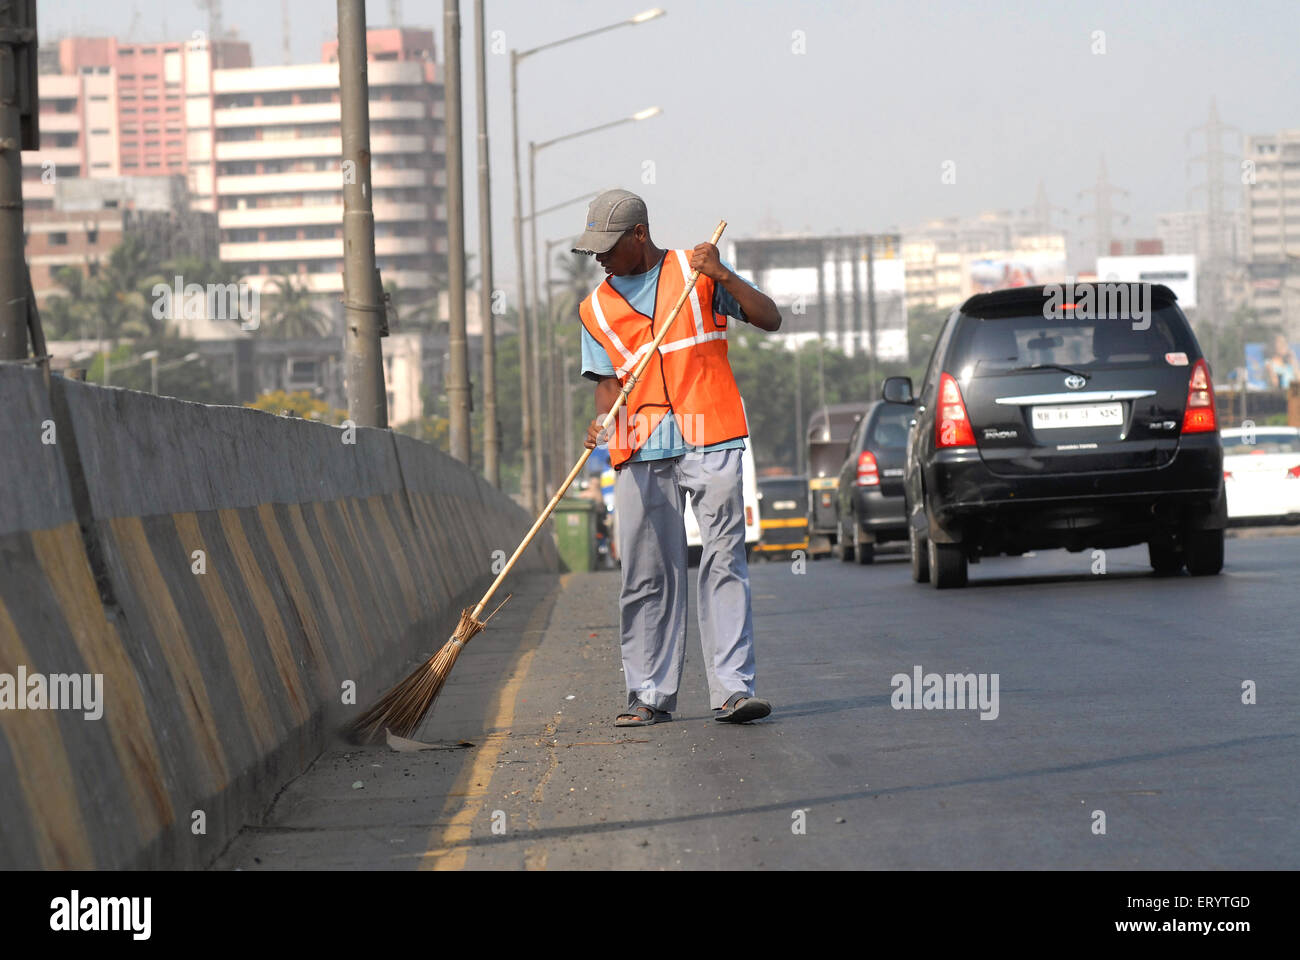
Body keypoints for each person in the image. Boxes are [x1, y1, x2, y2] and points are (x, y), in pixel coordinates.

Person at [573, 189, 782, 726]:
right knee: (645, 575)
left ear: (638, 235)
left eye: (607, 246)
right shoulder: (594, 308)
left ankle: (733, 690)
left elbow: (771, 318)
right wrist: (602, 421)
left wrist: (726, 276)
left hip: (710, 435)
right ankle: (647, 696)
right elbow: (607, 386)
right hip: (639, 446)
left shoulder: (698, 272)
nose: (599, 257)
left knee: (723, 561)